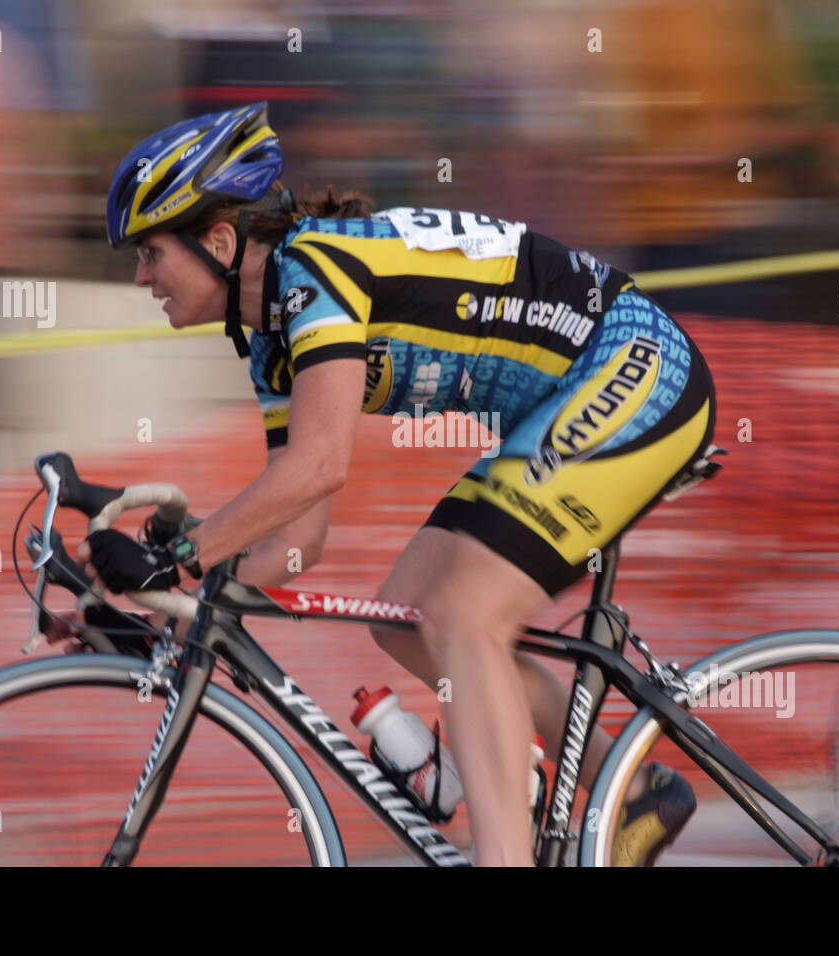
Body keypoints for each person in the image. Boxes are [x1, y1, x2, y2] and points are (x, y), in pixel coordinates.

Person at [81, 102, 715, 866]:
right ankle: (634, 786)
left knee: (464, 612)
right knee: (405, 616)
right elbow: (297, 539)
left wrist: (181, 553)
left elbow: (320, 464)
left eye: (149, 252)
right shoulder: (271, 345)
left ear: (217, 241)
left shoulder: (312, 272)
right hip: (558, 402)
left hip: (633, 363)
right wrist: (156, 608)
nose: (142, 276)